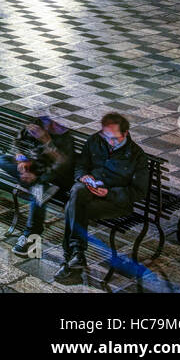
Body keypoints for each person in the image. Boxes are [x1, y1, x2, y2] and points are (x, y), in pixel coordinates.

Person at [56, 112, 148, 285]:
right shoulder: (95, 141)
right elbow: (81, 164)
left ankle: (73, 257)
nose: (110, 142)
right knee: (77, 190)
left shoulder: (137, 156)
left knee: (72, 207)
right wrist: (83, 176)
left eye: (115, 138)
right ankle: (76, 256)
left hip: (116, 202)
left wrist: (109, 193)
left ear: (126, 133)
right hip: (90, 192)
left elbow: (139, 191)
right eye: (106, 137)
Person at [0, 115, 76, 256]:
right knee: (2, 160)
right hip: (36, 170)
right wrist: (22, 161)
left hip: (55, 176)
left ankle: (31, 235)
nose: (51, 125)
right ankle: (38, 184)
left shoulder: (64, 136)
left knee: (39, 189)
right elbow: (18, 145)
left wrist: (46, 140)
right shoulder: (35, 125)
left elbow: (63, 166)